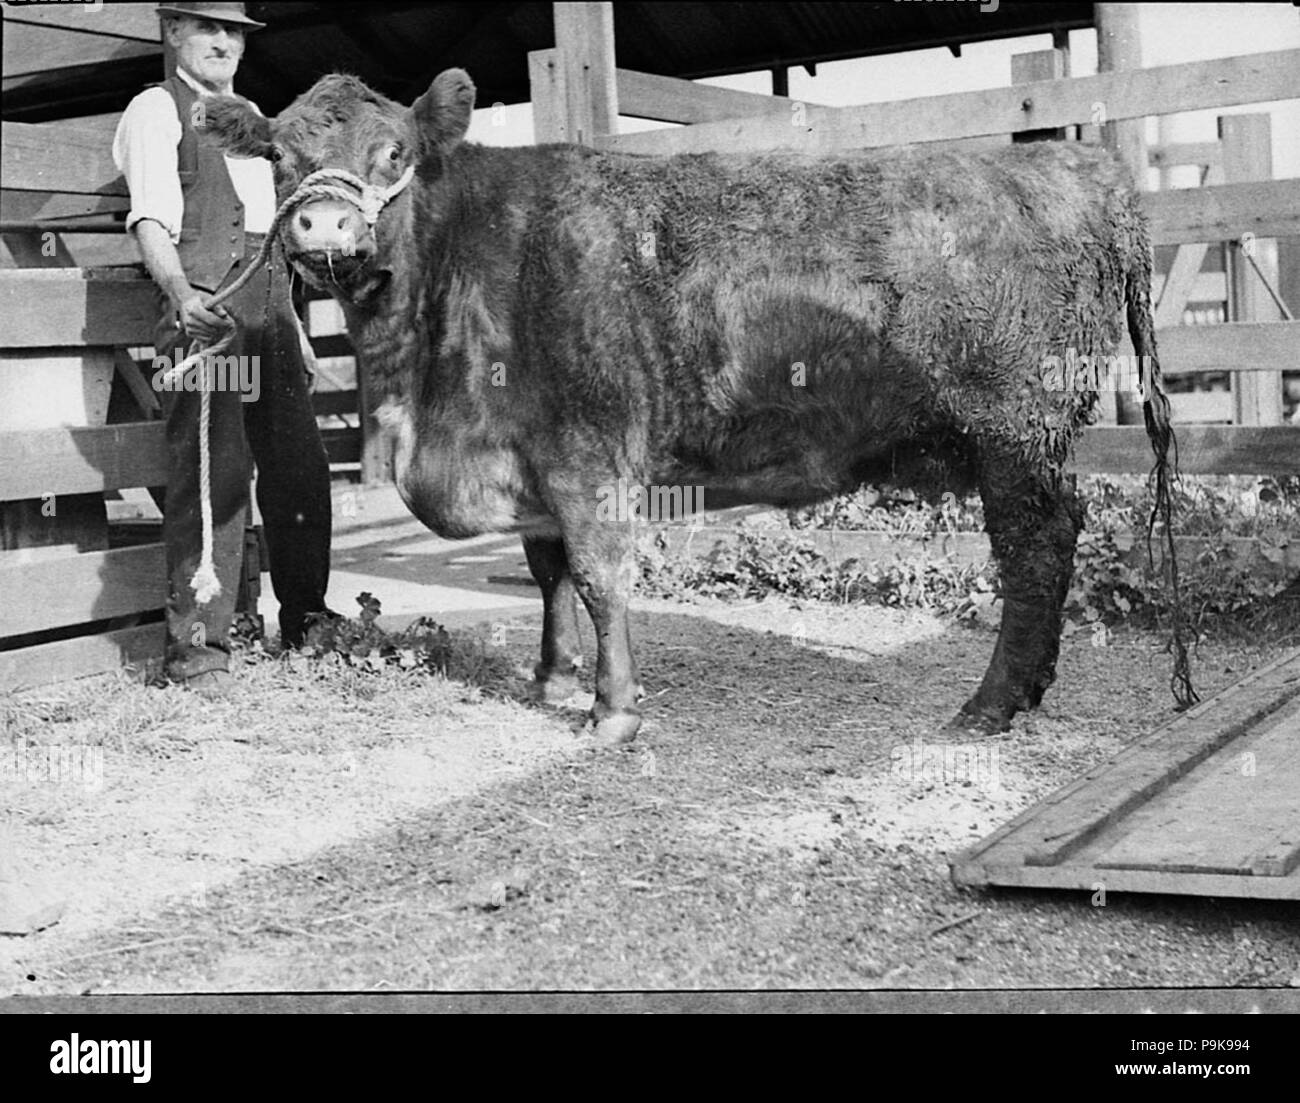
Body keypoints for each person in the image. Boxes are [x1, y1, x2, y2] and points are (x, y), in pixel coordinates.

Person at [113, 1, 333, 697]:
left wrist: (293, 327)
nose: (222, 42)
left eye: (233, 31)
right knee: (217, 475)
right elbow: (150, 217)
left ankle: (305, 620)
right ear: (172, 33)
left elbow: (274, 245)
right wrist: (181, 294)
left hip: (269, 319)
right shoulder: (156, 110)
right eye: (206, 28)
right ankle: (198, 652)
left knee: (300, 468)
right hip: (205, 314)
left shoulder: (252, 118)